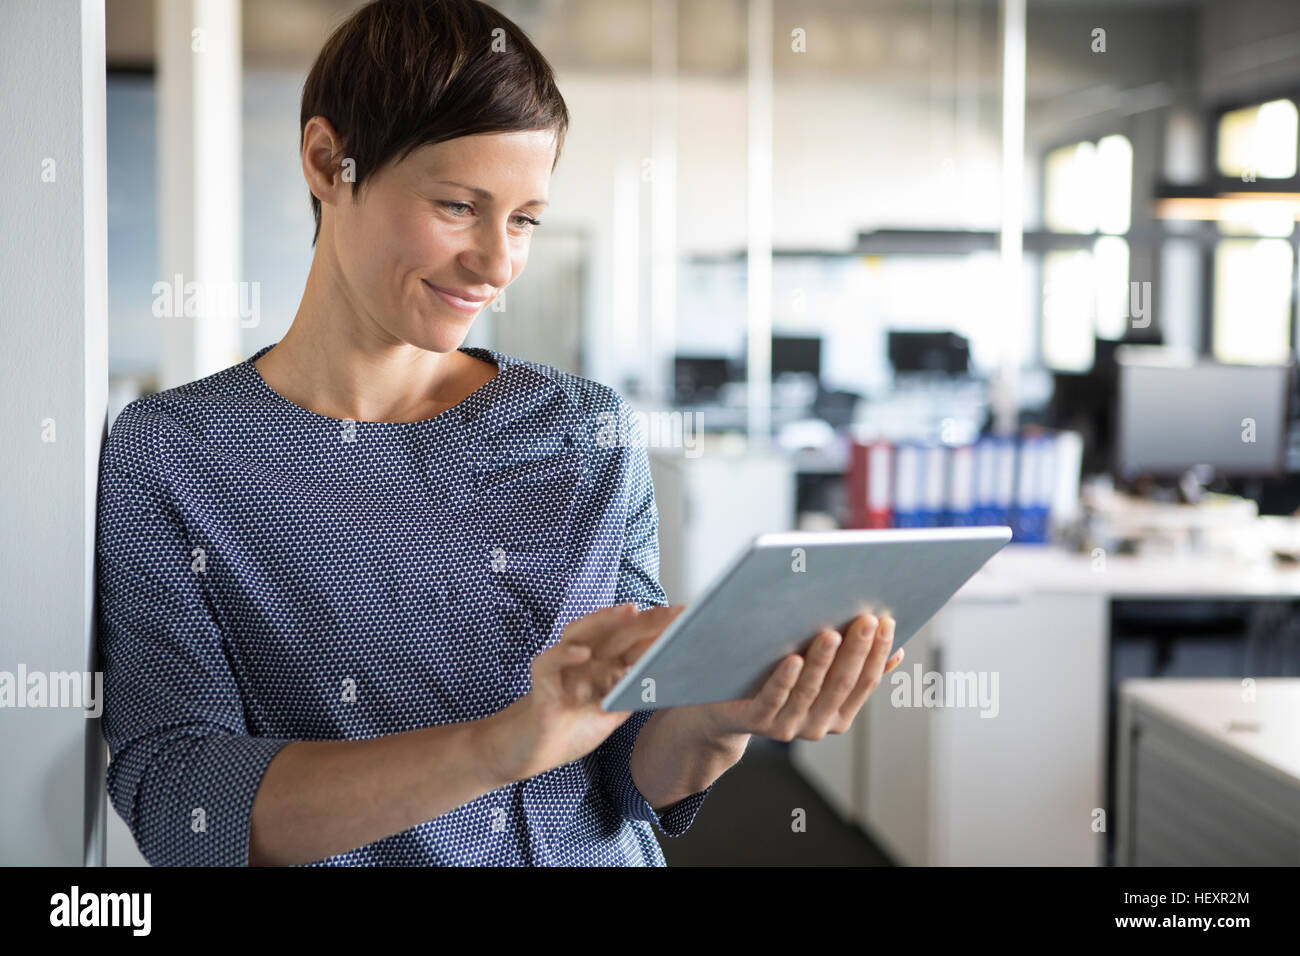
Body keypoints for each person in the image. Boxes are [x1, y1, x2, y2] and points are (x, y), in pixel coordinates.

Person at [95, 0, 903, 867]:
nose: (497, 263)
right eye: (457, 206)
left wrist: (722, 713)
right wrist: (499, 746)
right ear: (330, 162)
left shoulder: (585, 429)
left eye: (523, 220)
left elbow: (632, 771)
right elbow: (184, 803)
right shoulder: (173, 455)